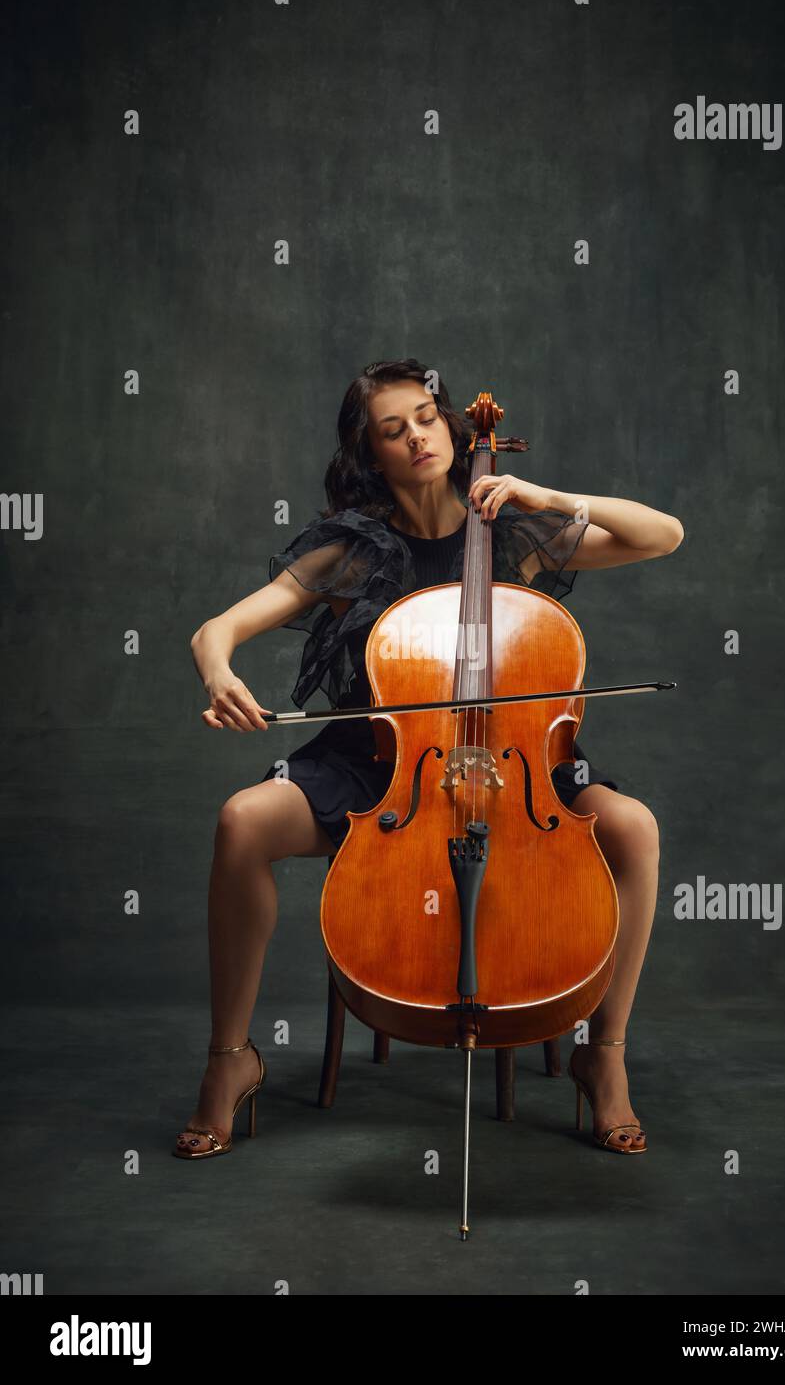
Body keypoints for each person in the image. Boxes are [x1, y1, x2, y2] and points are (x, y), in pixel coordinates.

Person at [174, 359, 683, 1160]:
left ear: (452, 426)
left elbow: (662, 535)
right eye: (392, 429)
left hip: (518, 768)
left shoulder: (516, 533)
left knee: (636, 830)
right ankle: (230, 1061)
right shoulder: (352, 550)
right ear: (368, 453)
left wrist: (543, 495)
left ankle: (603, 1053)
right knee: (242, 820)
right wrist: (219, 673)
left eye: (425, 417)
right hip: (383, 766)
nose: (416, 436)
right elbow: (216, 630)